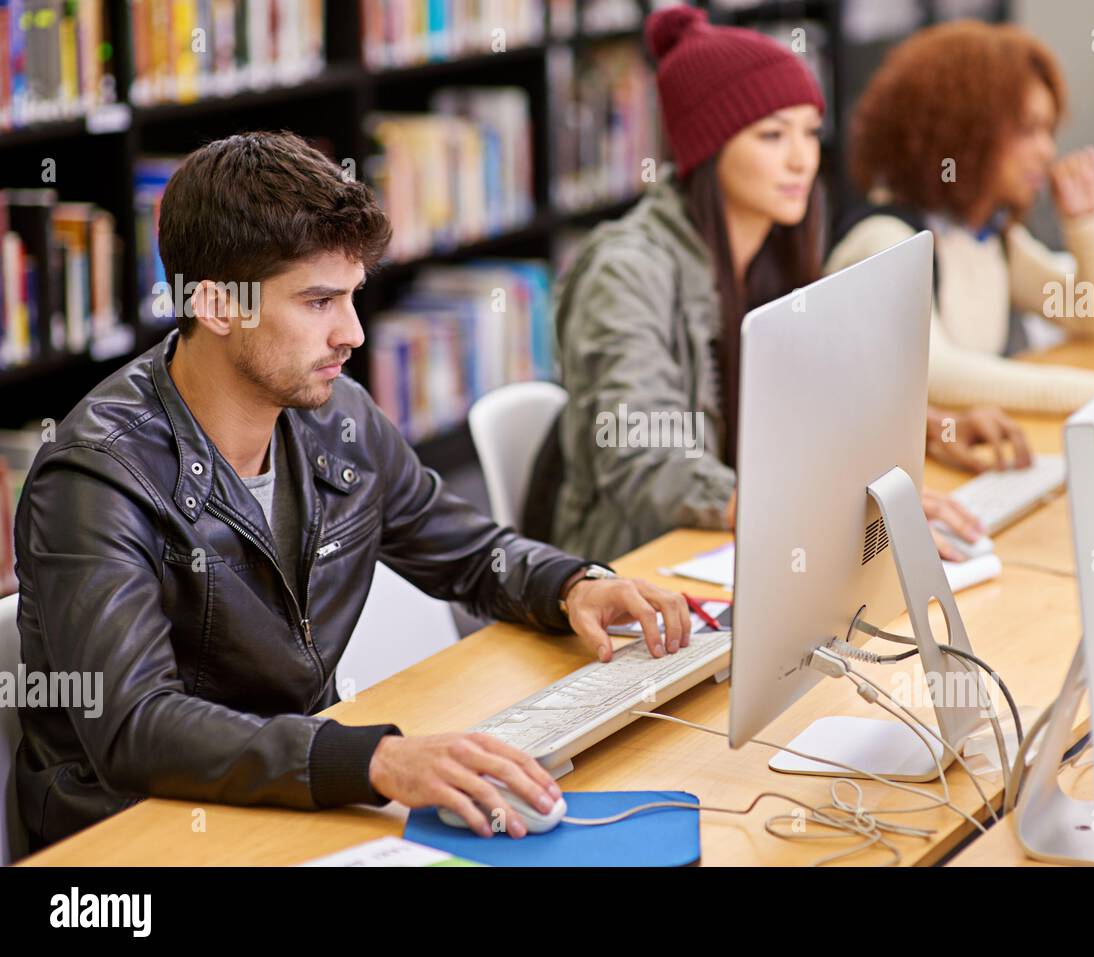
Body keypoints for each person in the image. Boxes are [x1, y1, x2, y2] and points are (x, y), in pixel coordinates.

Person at [14, 131, 691, 850]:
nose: (353, 332)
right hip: (133, 837)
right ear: (216, 305)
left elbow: (464, 550)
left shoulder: (334, 418)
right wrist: (374, 758)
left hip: (289, 799)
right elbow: (136, 727)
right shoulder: (93, 476)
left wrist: (571, 585)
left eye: (352, 296)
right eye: (317, 302)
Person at [545, 5, 1027, 564]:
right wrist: (815, 512)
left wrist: (936, 431)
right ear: (710, 147)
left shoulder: (775, 251)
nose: (802, 159)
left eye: (810, 133)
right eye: (772, 136)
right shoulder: (626, 271)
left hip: (739, 548)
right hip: (643, 565)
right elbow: (642, 457)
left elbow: (820, 403)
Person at [826, 19, 1094, 414]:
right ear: (960, 133)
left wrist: (1088, 224)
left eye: (1049, 129)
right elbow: (937, 375)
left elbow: (1092, 316)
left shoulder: (986, 234)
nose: (1047, 150)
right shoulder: (886, 239)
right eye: (1027, 130)